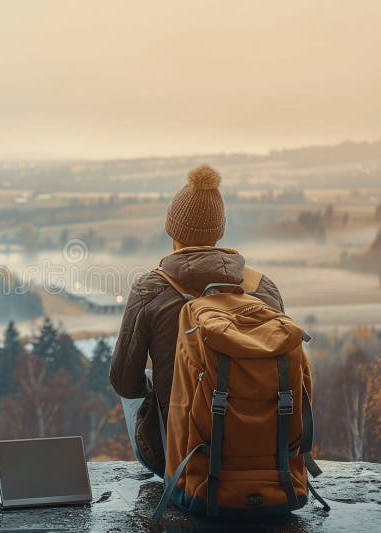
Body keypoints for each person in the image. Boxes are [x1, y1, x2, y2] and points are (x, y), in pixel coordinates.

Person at [109, 165, 285, 477]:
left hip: (180, 461)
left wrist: (157, 387)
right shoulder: (263, 287)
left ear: (172, 230)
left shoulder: (150, 289)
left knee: (135, 388)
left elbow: (124, 382)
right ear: (219, 232)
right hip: (264, 457)